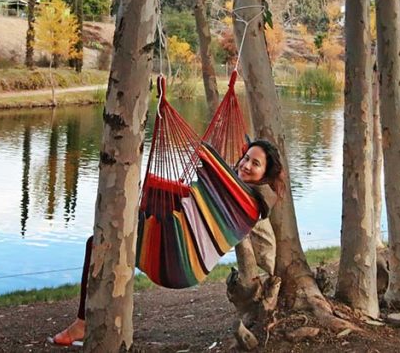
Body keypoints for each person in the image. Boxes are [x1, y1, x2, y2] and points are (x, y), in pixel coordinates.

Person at [50, 140, 284, 347]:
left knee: (99, 244)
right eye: (246, 158)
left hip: (179, 262)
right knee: (114, 235)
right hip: (177, 246)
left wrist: (199, 147)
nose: (245, 165)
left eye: (255, 164)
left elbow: (210, 163)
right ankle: (107, 323)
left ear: (266, 173)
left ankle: (83, 322)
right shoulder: (237, 192)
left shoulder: (250, 203)